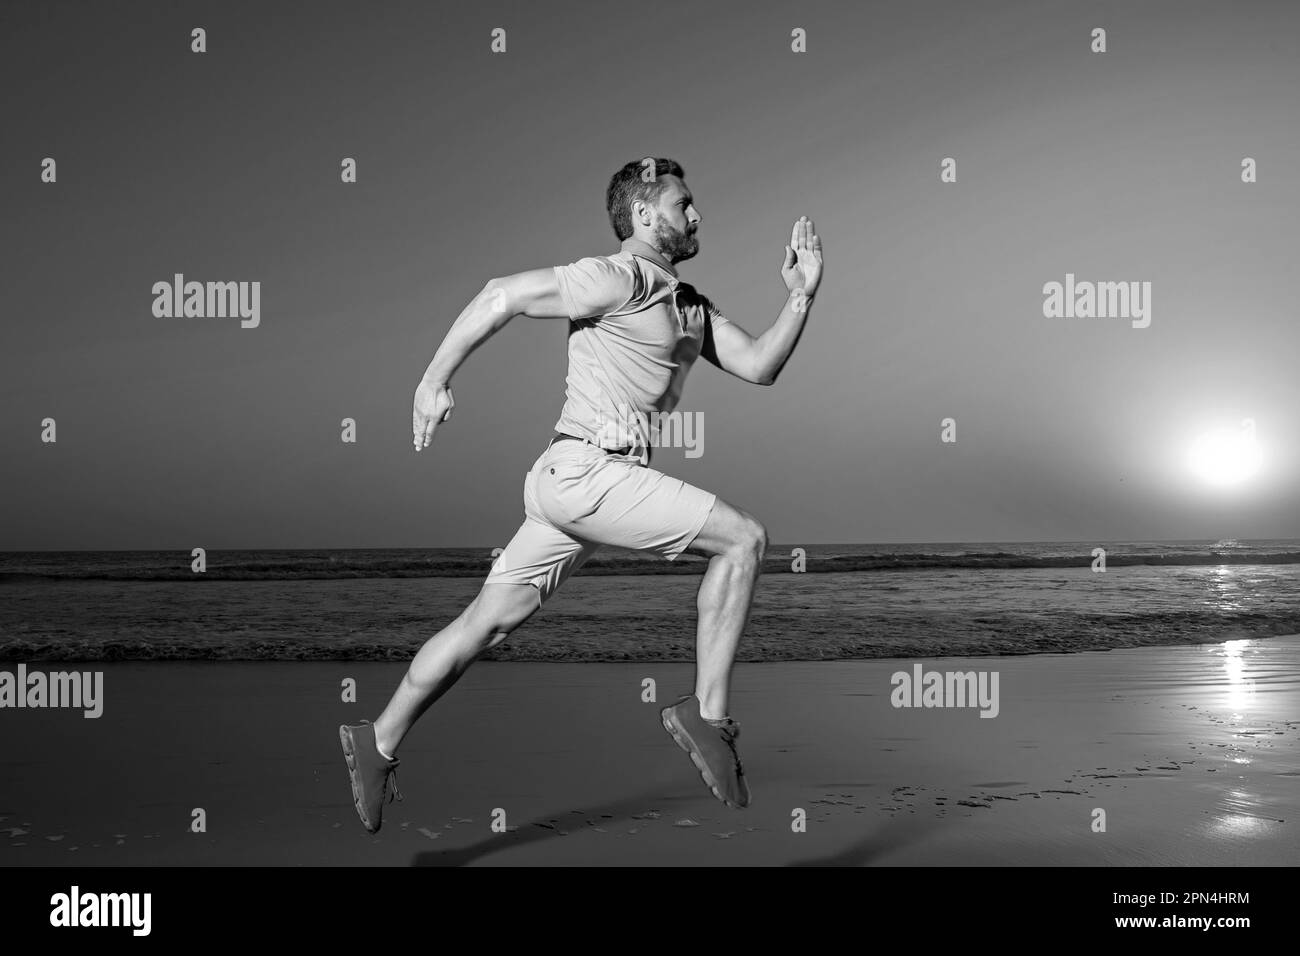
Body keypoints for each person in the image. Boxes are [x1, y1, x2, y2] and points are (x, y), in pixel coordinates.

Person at [340, 157, 822, 833]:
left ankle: (379, 741)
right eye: (685, 203)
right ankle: (706, 717)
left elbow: (761, 366)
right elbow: (500, 294)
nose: (697, 213)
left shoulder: (688, 306)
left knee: (485, 624)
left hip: (578, 493)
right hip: (589, 473)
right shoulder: (618, 276)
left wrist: (800, 296)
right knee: (745, 540)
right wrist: (433, 380)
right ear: (645, 215)